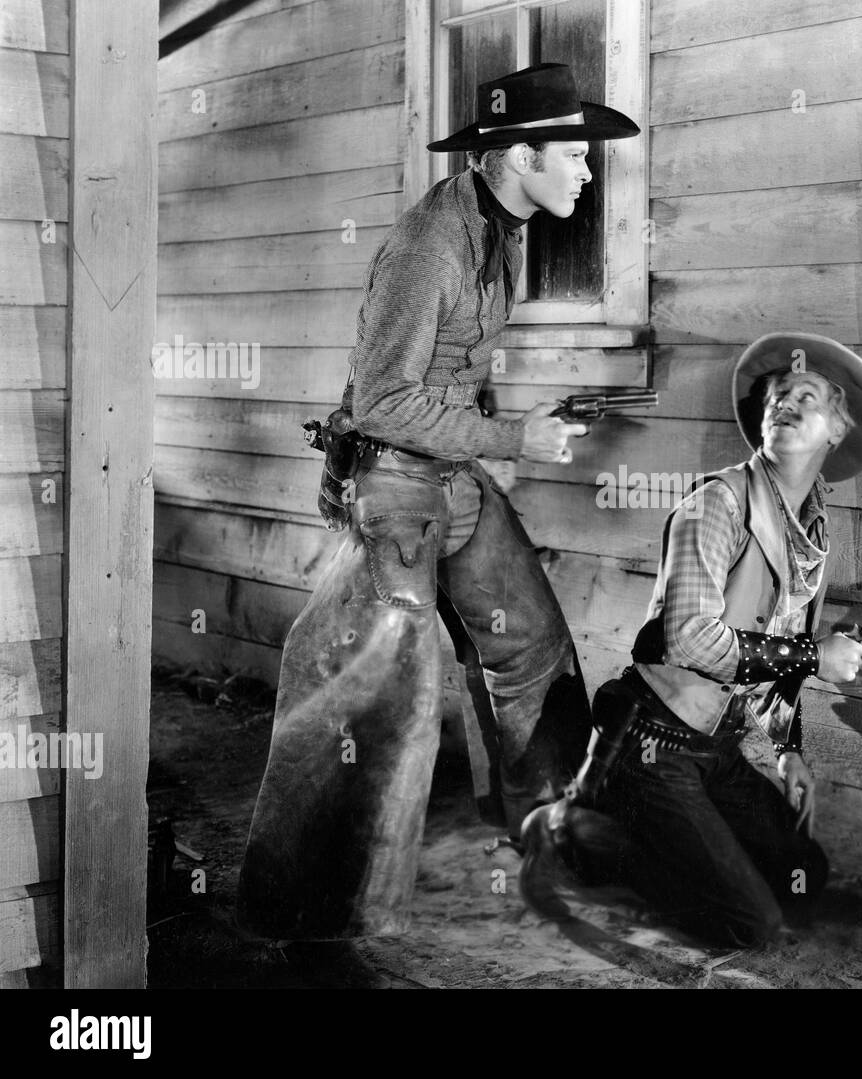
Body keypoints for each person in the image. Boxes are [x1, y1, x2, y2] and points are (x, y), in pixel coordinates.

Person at [236, 64, 640, 941]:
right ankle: (311, 914)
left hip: (450, 475)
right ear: (517, 155)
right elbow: (383, 398)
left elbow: (449, 380)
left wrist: (516, 427)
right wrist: (511, 438)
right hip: (393, 483)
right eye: (571, 155)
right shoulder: (432, 246)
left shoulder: (502, 228)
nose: (587, 172)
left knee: (530, 645)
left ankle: (556, 833)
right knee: (380, 692)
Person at [520, 332, 862, 948]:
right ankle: (568, 827)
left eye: (808, 396)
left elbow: (783, 643)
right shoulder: (717, 504)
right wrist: (816, 656)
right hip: (652, 742)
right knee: (749, 925)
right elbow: (691, 640)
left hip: (717, 748)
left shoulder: (814, 528)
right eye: (777, 394)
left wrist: (788, 749)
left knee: (805, 875)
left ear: (837, 430)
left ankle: (637, 829)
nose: (785, 403)